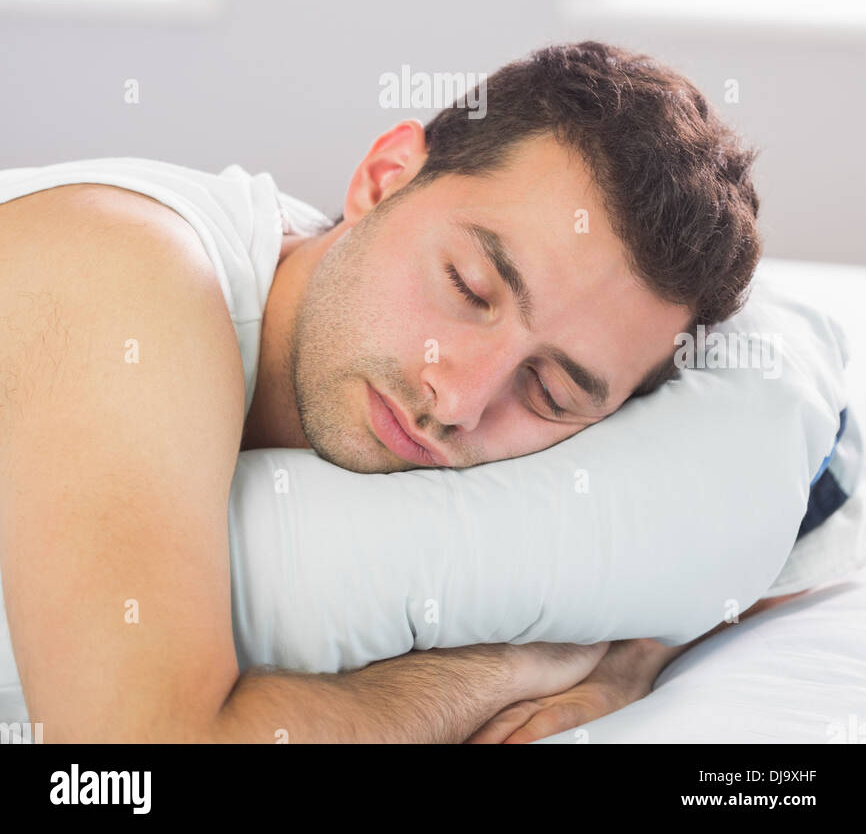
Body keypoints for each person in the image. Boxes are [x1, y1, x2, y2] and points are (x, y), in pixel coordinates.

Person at [0, 42, 842, 743]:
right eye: (471, 288)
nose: (460, 399)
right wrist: (507, 670)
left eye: (548, 389)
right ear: (384, 175)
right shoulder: (128, 276)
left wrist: (642, 639)